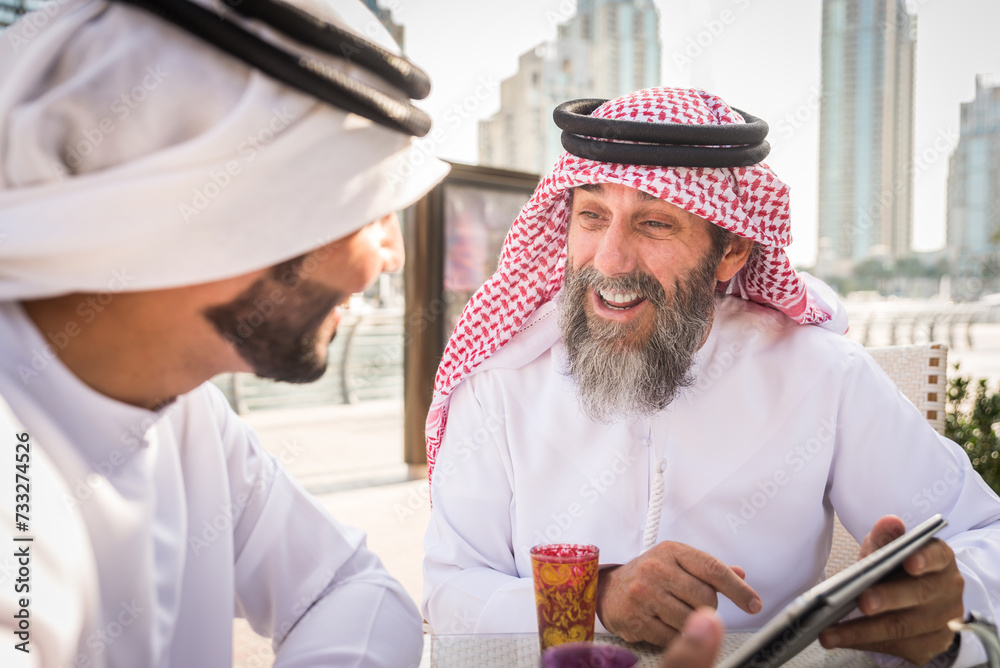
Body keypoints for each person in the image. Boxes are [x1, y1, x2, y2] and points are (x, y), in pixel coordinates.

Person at [422, 87, 1000, 668]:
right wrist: (594, 596)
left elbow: (984, 534)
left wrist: (948, 599)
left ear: (731, 251)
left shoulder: (823, 376)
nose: (610, 261)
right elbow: (449, 594)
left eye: (653, 224)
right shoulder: (501, 384)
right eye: (592, 217)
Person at [0, 0, 450, 665]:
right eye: (372, 213)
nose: (393, 257)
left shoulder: (188, 413)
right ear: (239, 222)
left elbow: (348, 586)